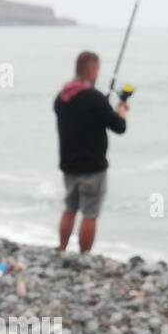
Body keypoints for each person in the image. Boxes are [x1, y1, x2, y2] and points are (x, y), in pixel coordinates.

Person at [53, 50, 128, 253]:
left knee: (70, 208)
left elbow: (80, 115)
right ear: (93, 70)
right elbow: (119, 127)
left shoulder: (62, 97)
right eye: (97, 70)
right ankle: (84, 255)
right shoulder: (95, 99)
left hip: (69, 164)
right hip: (93, 166)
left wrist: (102, 103)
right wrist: (121, 109)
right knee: (90, 213)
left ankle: (61, 248)